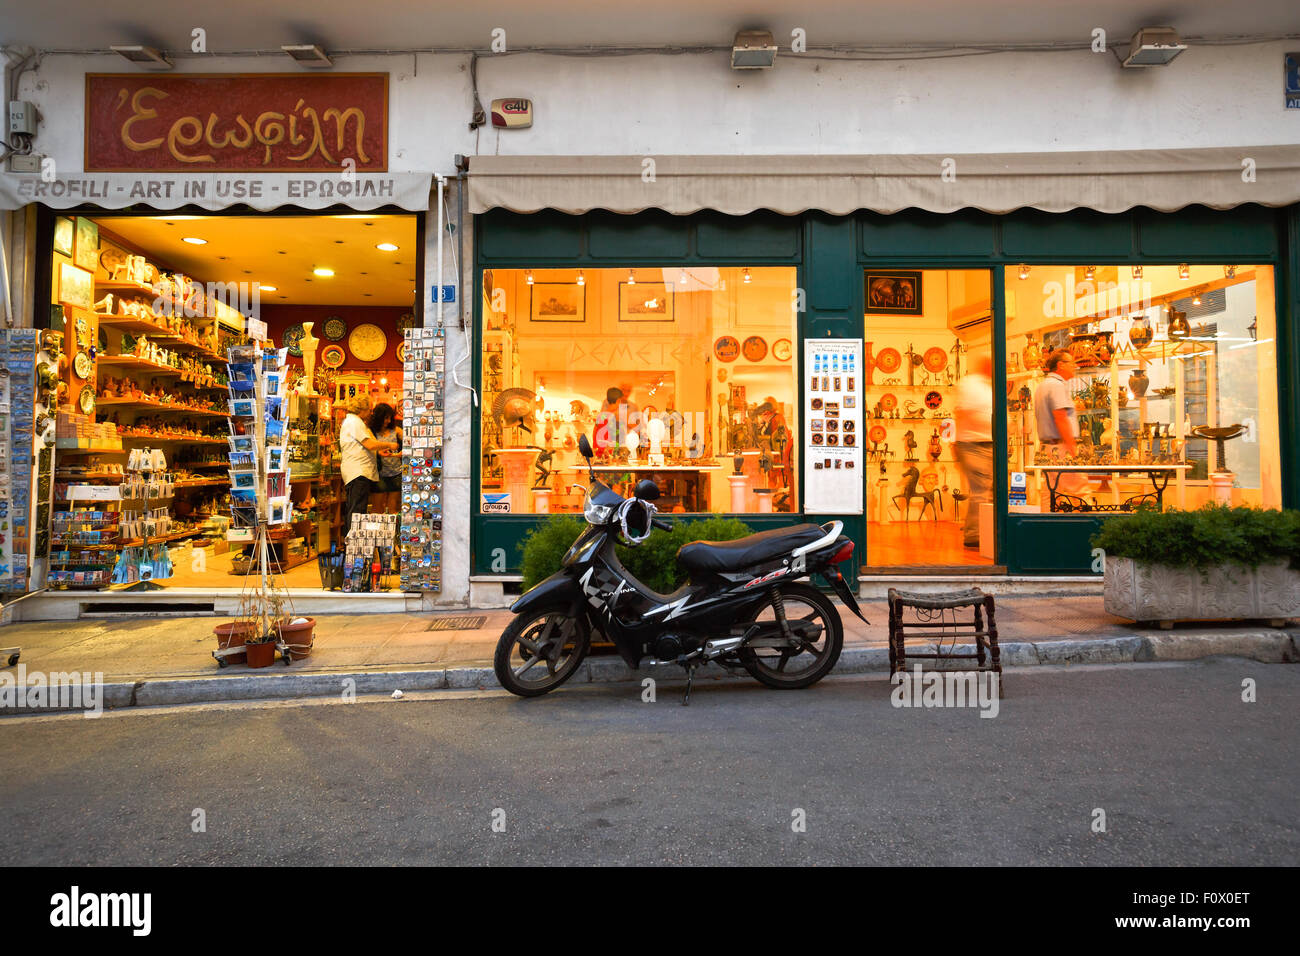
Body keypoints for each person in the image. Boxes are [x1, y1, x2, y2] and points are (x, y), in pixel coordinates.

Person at [1033, 348, 1090, 505]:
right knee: (1080, 490)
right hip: (1062, 447)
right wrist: (1073, 449)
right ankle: (1088, 528)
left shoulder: (1042, 385)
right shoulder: (1057, 386)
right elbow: (1061, 418)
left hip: (1046, 448)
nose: (1075, 366)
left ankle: (1048, 526)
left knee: (1050, 493)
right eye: (1071, 363)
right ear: (1060, 365)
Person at [339, 394, 398, 541]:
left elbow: (366, 445)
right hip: (357, 472)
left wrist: (379, 451)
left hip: (360, 472)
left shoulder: (356, 422)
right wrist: (389, 444)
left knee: (358, 509)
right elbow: (369, 444)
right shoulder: (354, 422)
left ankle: (354, 544)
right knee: (356, 510)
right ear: (362, 409)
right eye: (369, 409)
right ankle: (352, 545)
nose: (371, 412)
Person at [953, 352, 993, 549]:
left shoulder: (988, 385)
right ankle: (974, 535)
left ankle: (979, 532)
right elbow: (962, 412)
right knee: (980, 490)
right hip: (972, 443)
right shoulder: (970, 384)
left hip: (987, 443)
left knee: (984, 490)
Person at [367, 402, 403, 514]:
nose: (388, 421)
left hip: (396, 472)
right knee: (377, 509)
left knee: (393, 508)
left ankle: (393, 531)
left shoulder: (396, 430)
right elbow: (369, 447)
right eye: (385, 418)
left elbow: (410, 443)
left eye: (390, 418)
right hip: (379, 473)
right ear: (379, 418)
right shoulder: (371, 431)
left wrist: (400, 453)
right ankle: (376, 531)